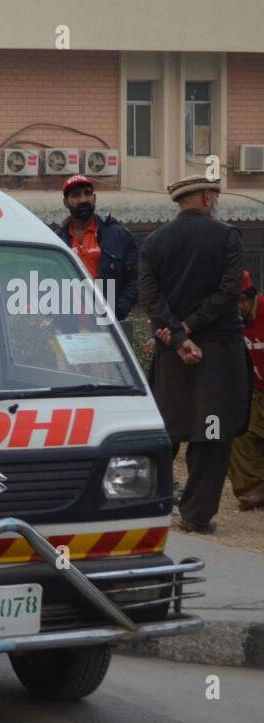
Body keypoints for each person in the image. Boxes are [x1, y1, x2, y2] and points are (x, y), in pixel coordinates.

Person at [139, 175, 249, 533]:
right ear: (206, 197)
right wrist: (191, 328)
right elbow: (230, 291)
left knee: (166, 430)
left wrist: (177, 334)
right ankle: (196, 514)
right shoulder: (227, 236)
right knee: (212, 433)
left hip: (173, 353)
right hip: (215, 354)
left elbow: (151, 300)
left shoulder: (153, 242)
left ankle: (143, 502)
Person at [53, 173, 139, 321]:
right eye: (75, 195)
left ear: (95, 198)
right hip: (68, 325)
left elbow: (134, 279)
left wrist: (116, 312)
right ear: (65, 203)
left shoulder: (118, 236)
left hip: (108, 324)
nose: (83, 200)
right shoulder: (56, 240)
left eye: (87, 193)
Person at [229, 270, 264, 509]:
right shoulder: (232, 322)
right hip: (257, 391)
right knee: (238, 433)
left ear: (245, 300)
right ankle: (254, 489)